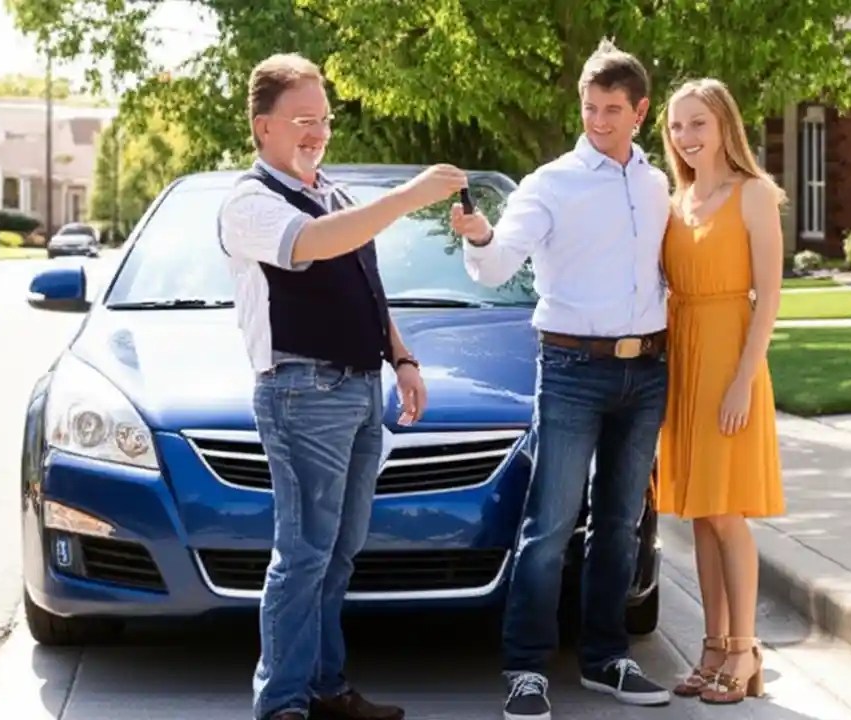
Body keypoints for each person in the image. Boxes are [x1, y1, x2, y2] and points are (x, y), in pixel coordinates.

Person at [218, 53, 469, 720]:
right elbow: (315, 243)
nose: (318, 132)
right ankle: (282, 704)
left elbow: (367, 284)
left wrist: (402, 359)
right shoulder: (250, 202)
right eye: (303, 120)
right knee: (303, 555)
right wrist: (410, 196)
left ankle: (325, 690)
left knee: (337, 556)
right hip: (302, 392)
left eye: (324, 119)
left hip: (360, 391)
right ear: (262, 126)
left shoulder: (335, 194)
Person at [450, 38, 673, 720]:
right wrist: (479, 236)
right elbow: (496, 266)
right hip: (572, 369)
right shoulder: (550, 183)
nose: (598, 121)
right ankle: (526, 670)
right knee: (549, 525)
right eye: (589, 108)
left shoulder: (656, 184)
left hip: (647, 371)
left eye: (612, 110)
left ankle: (606, 659)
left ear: (640, 111)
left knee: (621, 524)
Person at [654, 77, 786, 705]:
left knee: (727, 514)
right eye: (677, 126)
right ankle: (712, 647)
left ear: (725, 125)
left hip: (730, 362)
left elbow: (770, 300)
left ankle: (744, 648)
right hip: (682, 361)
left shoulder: (752, 194)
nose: (686, 136)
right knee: (702, 516)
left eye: (698, 123)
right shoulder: (675, 201)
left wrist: (742, 382)